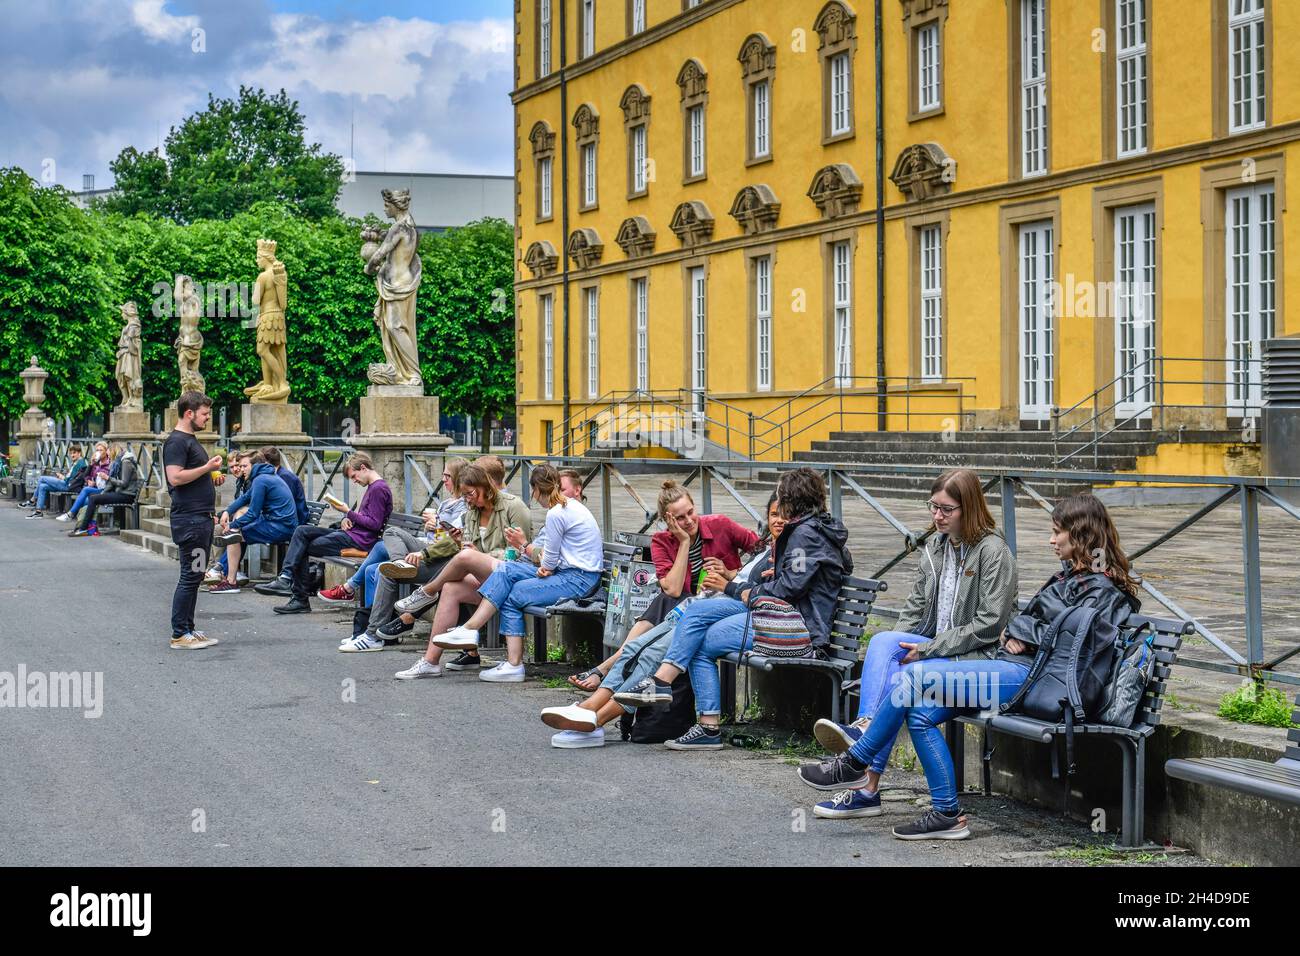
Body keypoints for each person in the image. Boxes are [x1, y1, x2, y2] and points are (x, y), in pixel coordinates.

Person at [797, 492, 1139, 841]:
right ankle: (947, 814)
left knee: (914, 675)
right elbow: (1028, 622)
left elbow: (1066, 635)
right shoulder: (1069, 577)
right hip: (1011, 667)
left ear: (1081, 534)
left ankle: (856, 761)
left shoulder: (1102, 589)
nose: (1051, 540)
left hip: (1029, 680)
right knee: (920, 712)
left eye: (1058, 532)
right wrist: (1020, 630)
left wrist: (1022, 632)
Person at [807, 468, 1020, 819]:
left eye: (946, 509)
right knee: (885, 641)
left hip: (975, 658)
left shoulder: (993, 552)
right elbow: (915, 609)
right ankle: (865, 728)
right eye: (933, 506)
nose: (937, 516)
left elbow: (988, 625)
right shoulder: (935, 548)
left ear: (969, 508)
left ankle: (866, 787)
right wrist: (895, 655)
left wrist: (927, 649)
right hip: (939, 652)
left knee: (907, 692)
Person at [616, 467, 852, 751]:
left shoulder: (806, 534)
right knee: (697, 614)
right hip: (778, 615)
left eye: (781, 495)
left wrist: (739, 589)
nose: (778, 500)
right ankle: (664, 685)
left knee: (700, 640)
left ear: (793, 498)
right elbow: (797, 580)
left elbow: (790, 588)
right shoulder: (808, 530)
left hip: (797, 627)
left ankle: (703, 722)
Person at [543, 492, 779, 749]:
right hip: (692, 606)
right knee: (638, 646)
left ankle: (593, 718)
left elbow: (754, 560)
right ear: (668, 519)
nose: (689, 520)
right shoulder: (663, 540)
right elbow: (674, 589)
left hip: (711, 608)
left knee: (651, 651)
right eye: (680, 517)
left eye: (691, 512)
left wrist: (727, 576)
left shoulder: (741, 535)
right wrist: (685, 543)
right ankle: (589, 709)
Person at [394, 463, 601, 683]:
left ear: (538, 489)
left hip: (576, 578)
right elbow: (550, 558)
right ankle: (435, 659)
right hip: (564, 573)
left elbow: (546, 560)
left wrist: (523, 546)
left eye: (470, 493)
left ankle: (493, 648)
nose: (533, 497)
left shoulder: (554, 512)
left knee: (509, 588)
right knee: (458, 586)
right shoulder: (563, 508)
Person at [364, 462, 531, 658]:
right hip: (479, 573)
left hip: (509, 574)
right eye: (464, 495)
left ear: (484, 486)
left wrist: (480, 556)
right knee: (450, 586)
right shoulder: (472, 512)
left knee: (465, 559)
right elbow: (468, 545)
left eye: (470, 494)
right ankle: (430, 661)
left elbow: (519, 552)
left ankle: (426, 593)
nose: (467, 500)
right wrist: (461, 543)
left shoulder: (513, 506)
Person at [333, 457, 472, 650]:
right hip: (430, 549)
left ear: (457, 477)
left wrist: (431, 538)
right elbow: (436, 536)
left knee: (383, 570)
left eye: (447, 475)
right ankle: (399, 565)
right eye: (443, 475)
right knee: (391, 533)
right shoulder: (446, 502)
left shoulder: (465, 506)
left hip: (443, 559)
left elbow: (454, 542)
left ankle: (371, 635)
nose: (443, 479)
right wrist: (430, 526)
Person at [255, 452, 392, 614]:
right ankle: (286, 579)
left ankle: (298, 596)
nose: (354, 480)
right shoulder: (373, 487)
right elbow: (367, 518)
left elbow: (375, 524)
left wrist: (348, 511)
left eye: (354, 476)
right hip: (352, 535)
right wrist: (347, 519)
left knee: (302, 546)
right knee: (301, 531)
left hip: (359, 542)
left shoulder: (378, 489)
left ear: (363, 468)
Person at [162, 392, 226, 650]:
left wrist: (210, 478)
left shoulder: (188, 440)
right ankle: (179, 633)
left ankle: (188, 627)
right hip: (190, 520)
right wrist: (206, 468)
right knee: (190, 575)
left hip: (199, 519)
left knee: (196, 574)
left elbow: (188, 476)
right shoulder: (177, 441)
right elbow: (175, 477)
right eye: (204, 414)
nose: (207, 418)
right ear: (189, 413)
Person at [208, 451, 297, 594]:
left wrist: (233, 525)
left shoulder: (261, 480)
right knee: (236, 529)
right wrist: (227, 511)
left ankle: (230, 581)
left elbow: (253, 513)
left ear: (255, 466)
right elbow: (244, 498)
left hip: (281, 527)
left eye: (244, 466)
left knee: (234, 535)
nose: (241, 469)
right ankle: (227, 573)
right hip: (277, 523)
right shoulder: (265, 476)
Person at [204, 451, 254, 586]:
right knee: (214, 528)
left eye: (238, 465)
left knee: (228, 531)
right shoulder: (240, 482)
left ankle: (220, 570)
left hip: (250, 520)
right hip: (241, 519)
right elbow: (236, 506)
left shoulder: (251, 480)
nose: (236, 469)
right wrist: (218, 516)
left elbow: (248, 507)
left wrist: (227, 519)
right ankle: (216, 569)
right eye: (231, 467)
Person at [70, 444, 143, 533]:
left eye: (109, 453)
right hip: (120, 493)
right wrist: (103, 492)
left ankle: (83, 528)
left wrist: (107, 478)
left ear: (113, 452)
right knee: (93, 496)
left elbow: (124, 483)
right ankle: (85, 526)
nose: (108, 456)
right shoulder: (118, 462)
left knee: (93, 498)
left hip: (127, 495)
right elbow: (111, 484)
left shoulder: (126, 462)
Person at [24, 444, 87, 518]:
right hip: (65, 483)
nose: (72, 455)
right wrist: (63, 477)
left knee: (42, 478)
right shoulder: (76, 462)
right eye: (71, 453)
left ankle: (32, 501)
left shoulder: (81, 464)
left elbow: (74, 480)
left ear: (79, 453)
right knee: (42, 486)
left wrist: (63, 478)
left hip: (67, 485)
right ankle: (38, 512)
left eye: (74, 453)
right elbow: (72, 477)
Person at [63, 442, 113, 525]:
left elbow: (112, 479)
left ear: (106, 451)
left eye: (101, 450)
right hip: (95, 489)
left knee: (86, 492)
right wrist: (89, 479)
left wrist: (105, 477)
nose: (99, 452)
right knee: (85, 500)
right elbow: (85, 476)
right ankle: (84, 525)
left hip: (105, 490)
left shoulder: (110, 464)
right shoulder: (96, 463)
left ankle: (73, 516)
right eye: (97, 450)